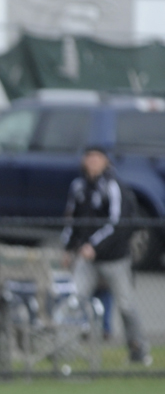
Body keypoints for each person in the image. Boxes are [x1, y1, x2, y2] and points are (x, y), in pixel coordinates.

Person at [61, 145, 150, 365]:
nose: (92, 161)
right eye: (88, 157)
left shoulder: (113, 186)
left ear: (106, 161)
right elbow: (72, 219)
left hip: (114, 258)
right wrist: (68, 247)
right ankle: (63, 350)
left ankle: (138, 351)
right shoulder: (79, 186)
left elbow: (118, 222)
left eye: (97, 157)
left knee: (126, 305)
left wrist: (94, 246)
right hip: (87, 258)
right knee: (74, 299)